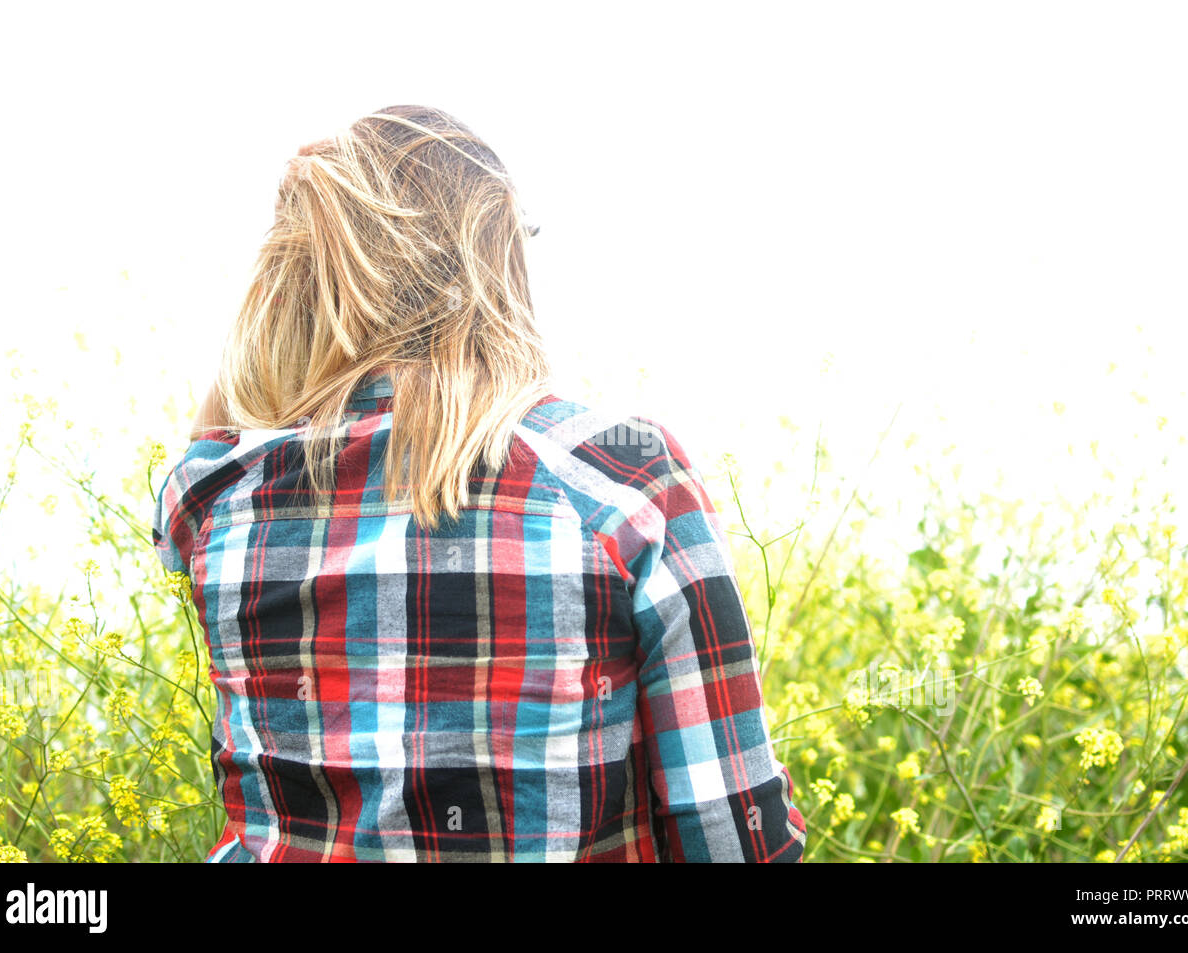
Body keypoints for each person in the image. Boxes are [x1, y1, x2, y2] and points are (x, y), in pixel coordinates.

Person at [152, 104, 806, 862]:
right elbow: (734, 840)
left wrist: (288, 263)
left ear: (302, 272)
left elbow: (210, 444)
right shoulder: (621, 479)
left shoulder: (214, 500)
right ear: (499, 262)